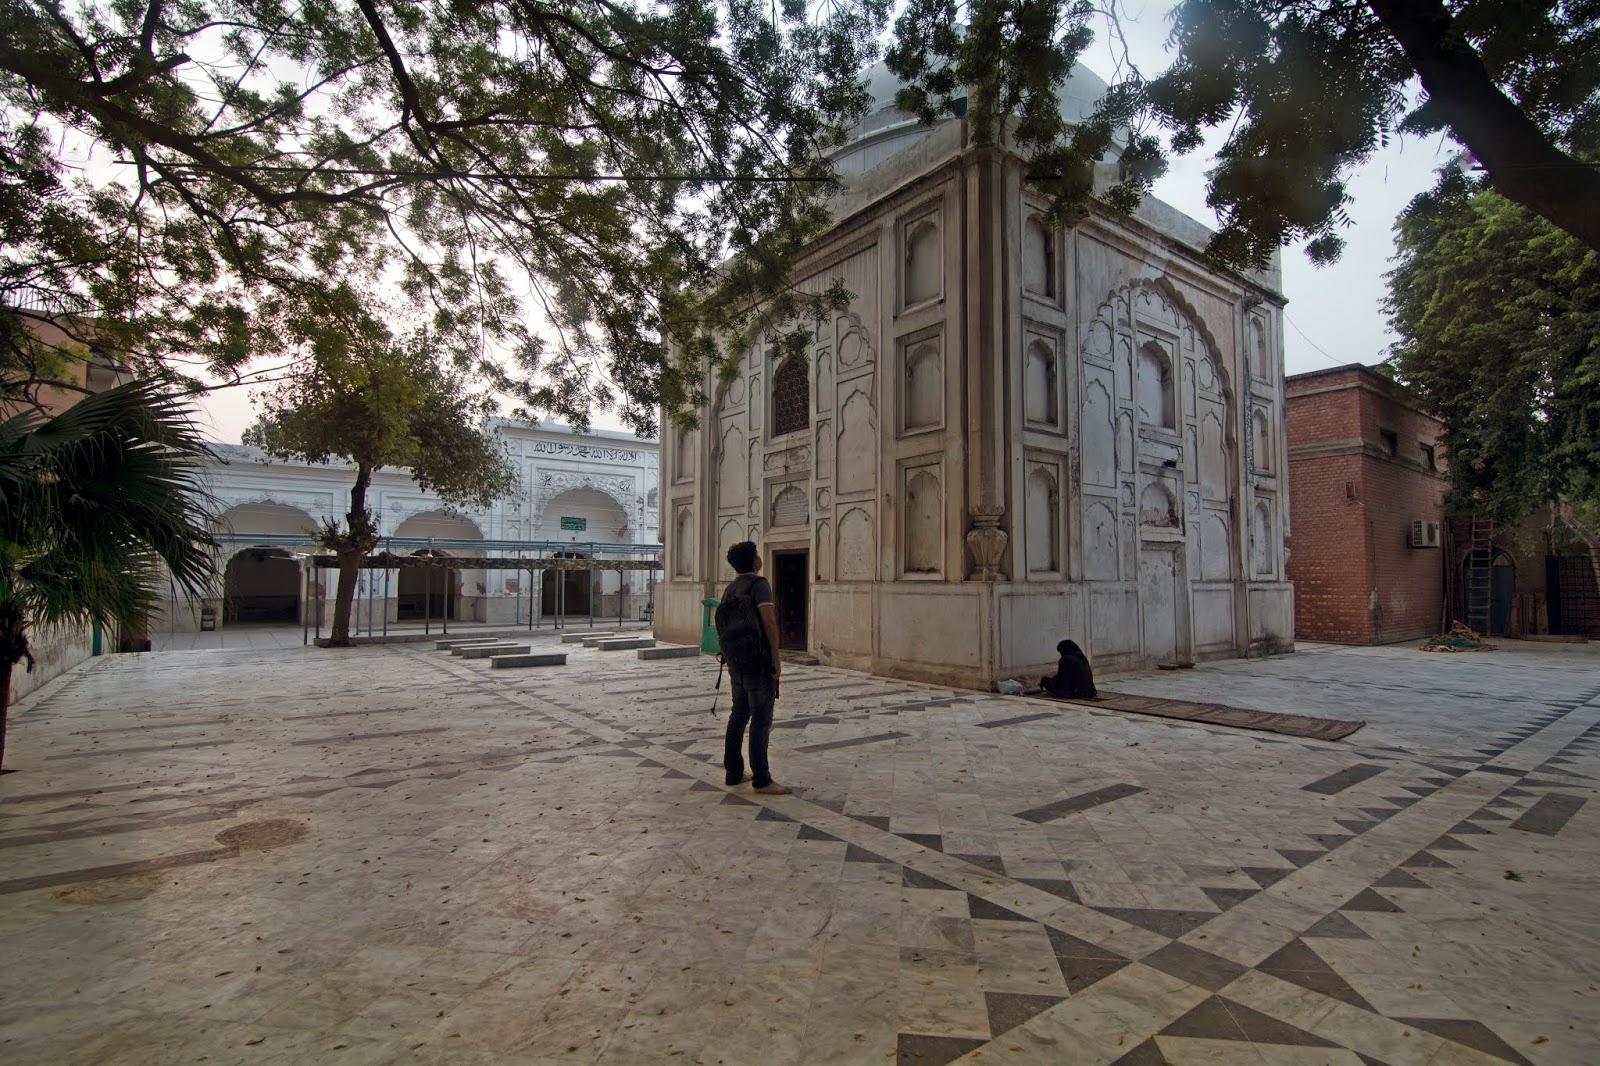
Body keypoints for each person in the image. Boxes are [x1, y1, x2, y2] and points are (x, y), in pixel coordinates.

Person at [718, 541, 790, 795]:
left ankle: (734, 772)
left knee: (738, 714)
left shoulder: (730, 589)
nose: (759, 557)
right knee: (761, 719)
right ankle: (762, 779)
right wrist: (775, 659)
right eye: (757, 554)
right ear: (754, 560)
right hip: (758, 663)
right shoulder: (759, 585)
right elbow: (769, 623)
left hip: (735, 663)